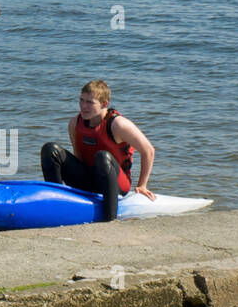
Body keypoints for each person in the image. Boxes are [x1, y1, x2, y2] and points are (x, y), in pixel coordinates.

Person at [40, 79, 155, 221]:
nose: (83, 106)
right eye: (81, 100)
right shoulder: (75, 123)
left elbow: (148, 151)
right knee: (50, 149)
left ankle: (109, 218)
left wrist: (142, 185)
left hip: (116, 184)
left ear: (104, 104)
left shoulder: (118, 125)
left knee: (102, 157)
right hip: (89, 180)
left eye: (90, 102)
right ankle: (57, 204)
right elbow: (79, 156)